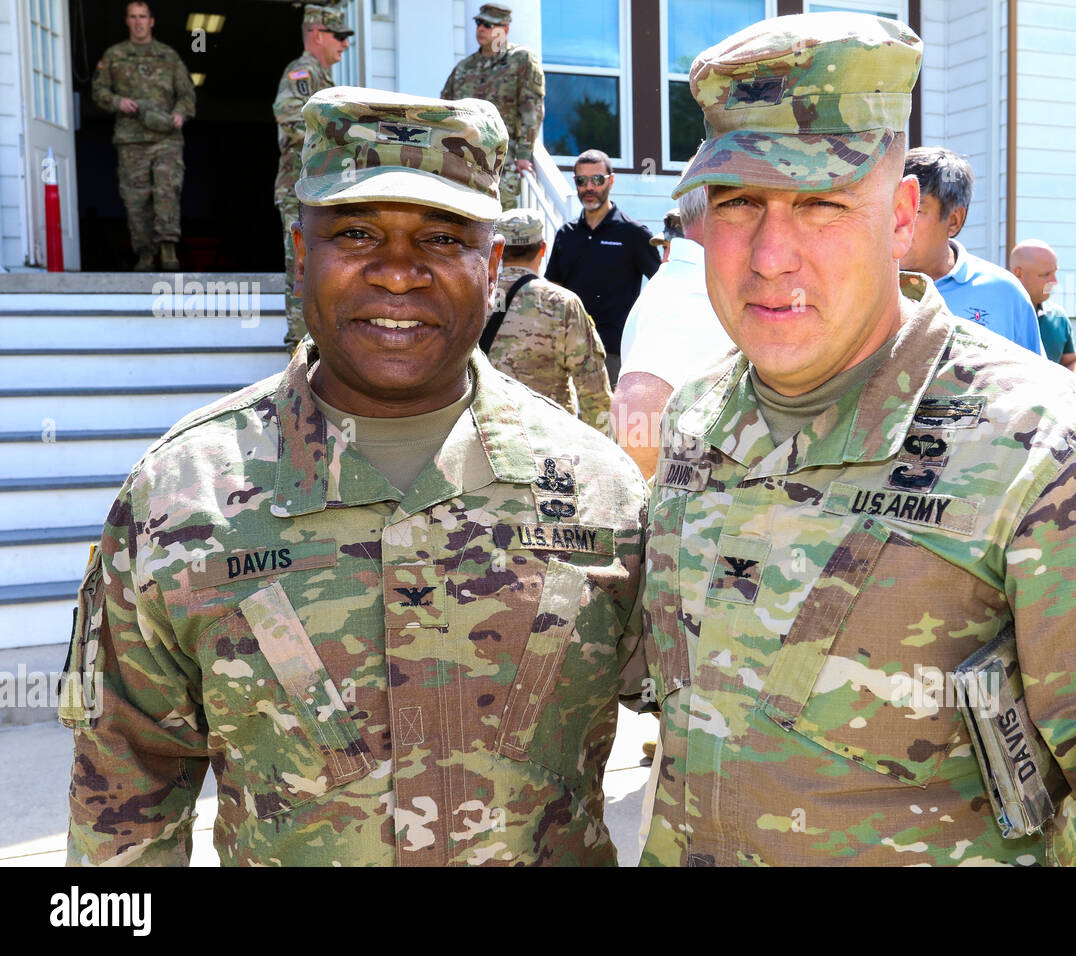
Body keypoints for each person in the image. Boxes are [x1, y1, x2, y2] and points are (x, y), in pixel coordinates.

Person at [634, 13, 1076, 867]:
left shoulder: (1053, 456)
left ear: (902, 218)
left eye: (822, 203)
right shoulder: (698, 420)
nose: (771, 255)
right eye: (739, 201)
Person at [59, 87, 648, 867]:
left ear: (493, 266)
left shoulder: (600, 492)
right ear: (302, 254)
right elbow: (121, 817)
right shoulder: (178, 498)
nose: (398, 273)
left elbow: (716, 745)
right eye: (357, 232)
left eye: (442, 237)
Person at [614, 186, 734, 479]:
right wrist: (672, 500)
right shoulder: (695, 293)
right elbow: (636, 420)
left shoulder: (692, 283)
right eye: (751, 202)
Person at [900, 147, 1042, 355]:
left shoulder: (1004, 294)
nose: (898, 220)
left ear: (954, 220)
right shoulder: (868, 287)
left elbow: (1034, 373)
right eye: (893, 207)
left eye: (917, 210)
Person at [483, 207, 613, 429]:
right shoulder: (562, 303)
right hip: (548, 436)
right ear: (542, 249)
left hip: (488, 431)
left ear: (498, 250)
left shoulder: (476, 297)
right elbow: (593, 390)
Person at [91, 1, 195, 272]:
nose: (138, 22)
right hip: (131, 139)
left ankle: (168, 249)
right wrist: (117, 102)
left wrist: (180, 113)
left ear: (152, 21)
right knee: (136, 198)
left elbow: (187, 94)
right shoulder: (114, 55)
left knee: (166, 192)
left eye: (143, 16)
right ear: (127, 21)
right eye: (133, 17)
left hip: (166, 138)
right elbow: (98, 91)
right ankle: (145, 254)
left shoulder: (169, 56)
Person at [273, 4, 352, 352]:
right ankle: (297, 353)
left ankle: (316, 350)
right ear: (318, 35)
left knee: (321, 269)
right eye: (340, 36)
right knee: (302, 269)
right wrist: (342, 135)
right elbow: (289, 114)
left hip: (320, 191)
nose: (345, 44)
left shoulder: (323, 78)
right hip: (300, 190)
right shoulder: (302, 72)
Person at [545, 149, 661, 382]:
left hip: (614, 352)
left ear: (611, 180)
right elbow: (553, 292)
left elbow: (660, 285)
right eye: (582, 181)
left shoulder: (634, 233)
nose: (589, 187)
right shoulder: (566, 234)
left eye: (597, 180)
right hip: (568, 350)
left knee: (610, 408)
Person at [440, 3, 544, 211]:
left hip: (502, 159)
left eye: (488, 25)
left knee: (500, 217)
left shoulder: (521, 59)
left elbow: (532, 109)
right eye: (479, 23)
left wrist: (524, 155)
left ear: (505, 29)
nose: (481, 29)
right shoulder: (463, 68)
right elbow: (444, 110)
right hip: (462, 159)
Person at [1010, 239, 1076, 374]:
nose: (1055, 281)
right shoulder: (998, 315)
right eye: (1046, 274)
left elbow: (1072, 361)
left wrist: (1067, 383)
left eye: (1055, 272)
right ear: (1019, 273)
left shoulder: (1058, 317)